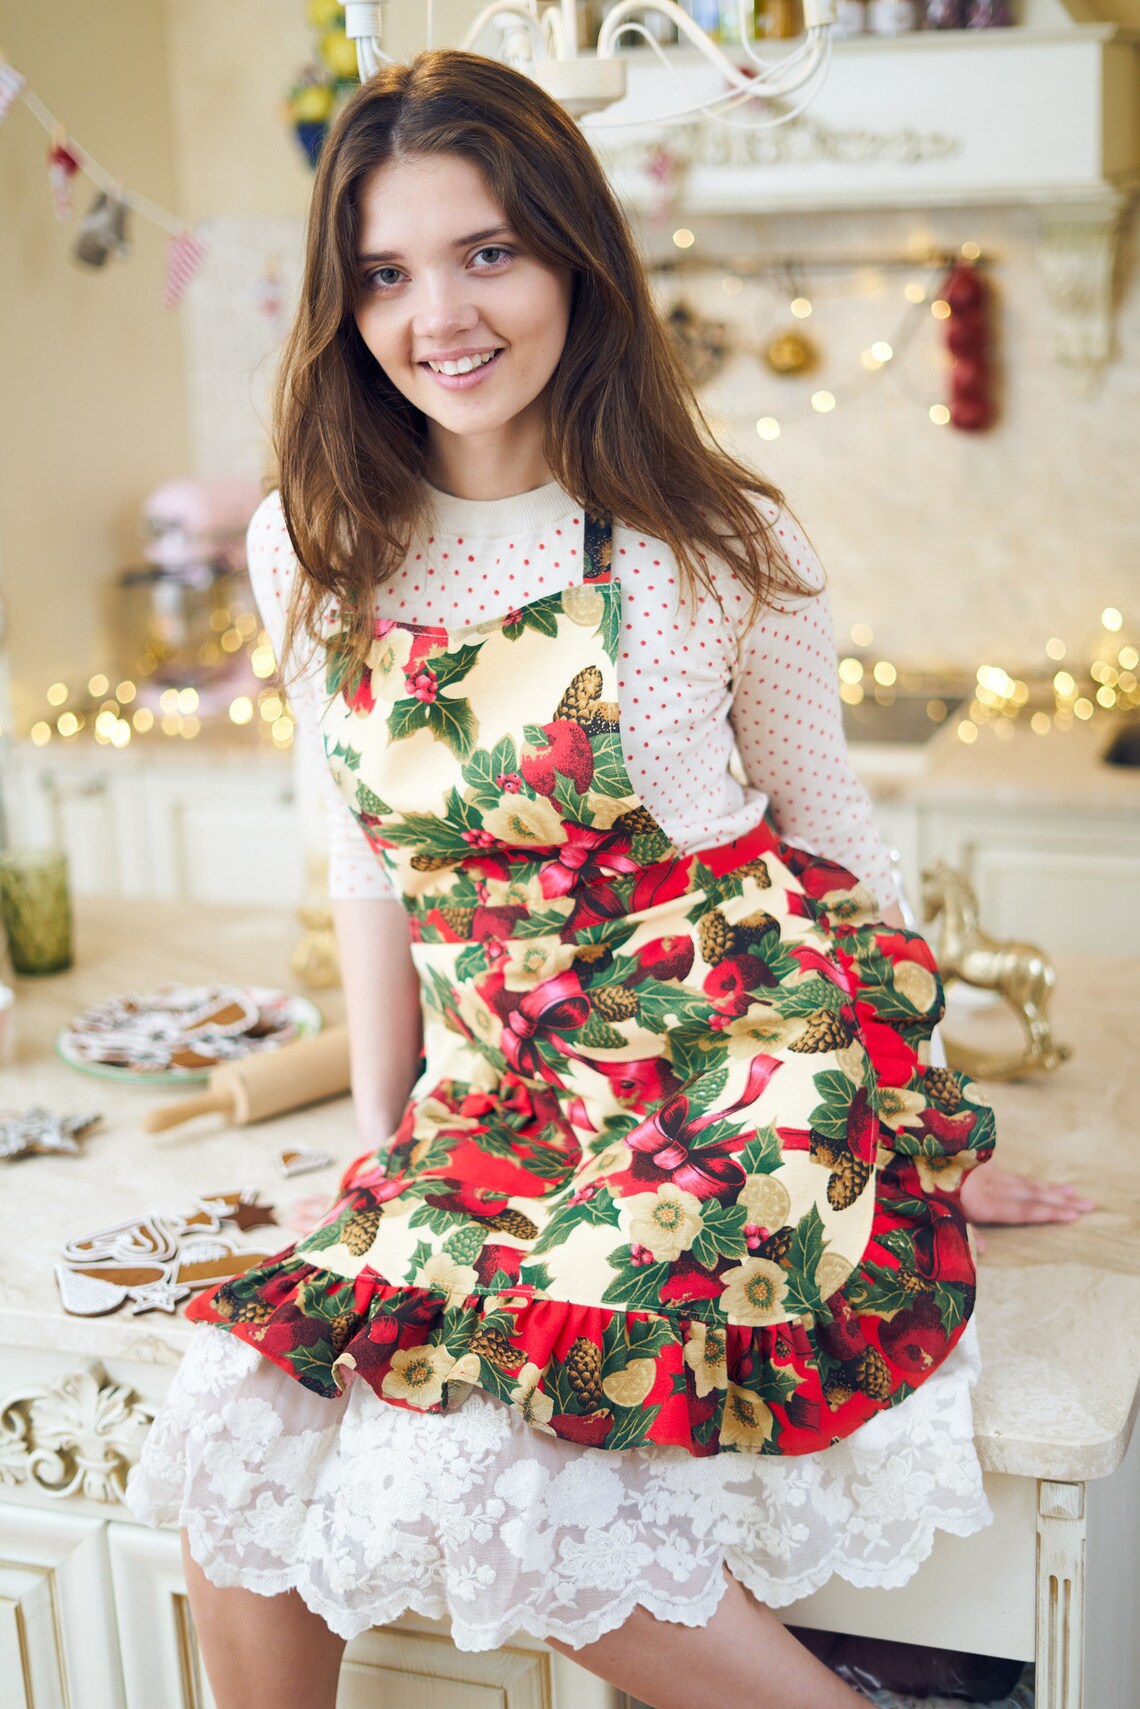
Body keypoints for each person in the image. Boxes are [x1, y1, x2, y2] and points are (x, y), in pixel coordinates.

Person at [127, 49, 1092, 1709]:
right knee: (235, 1421)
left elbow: (834, 831)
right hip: (502, 1082)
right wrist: (381, 1144)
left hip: (730, 1062)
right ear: (341, 299)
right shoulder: (315, 538)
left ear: (577, 255)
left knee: (489, 1432)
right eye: (387, 270)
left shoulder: (716, 535)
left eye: (488, 251)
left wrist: (916, 1126)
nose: (441, 313)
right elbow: (370, 855)